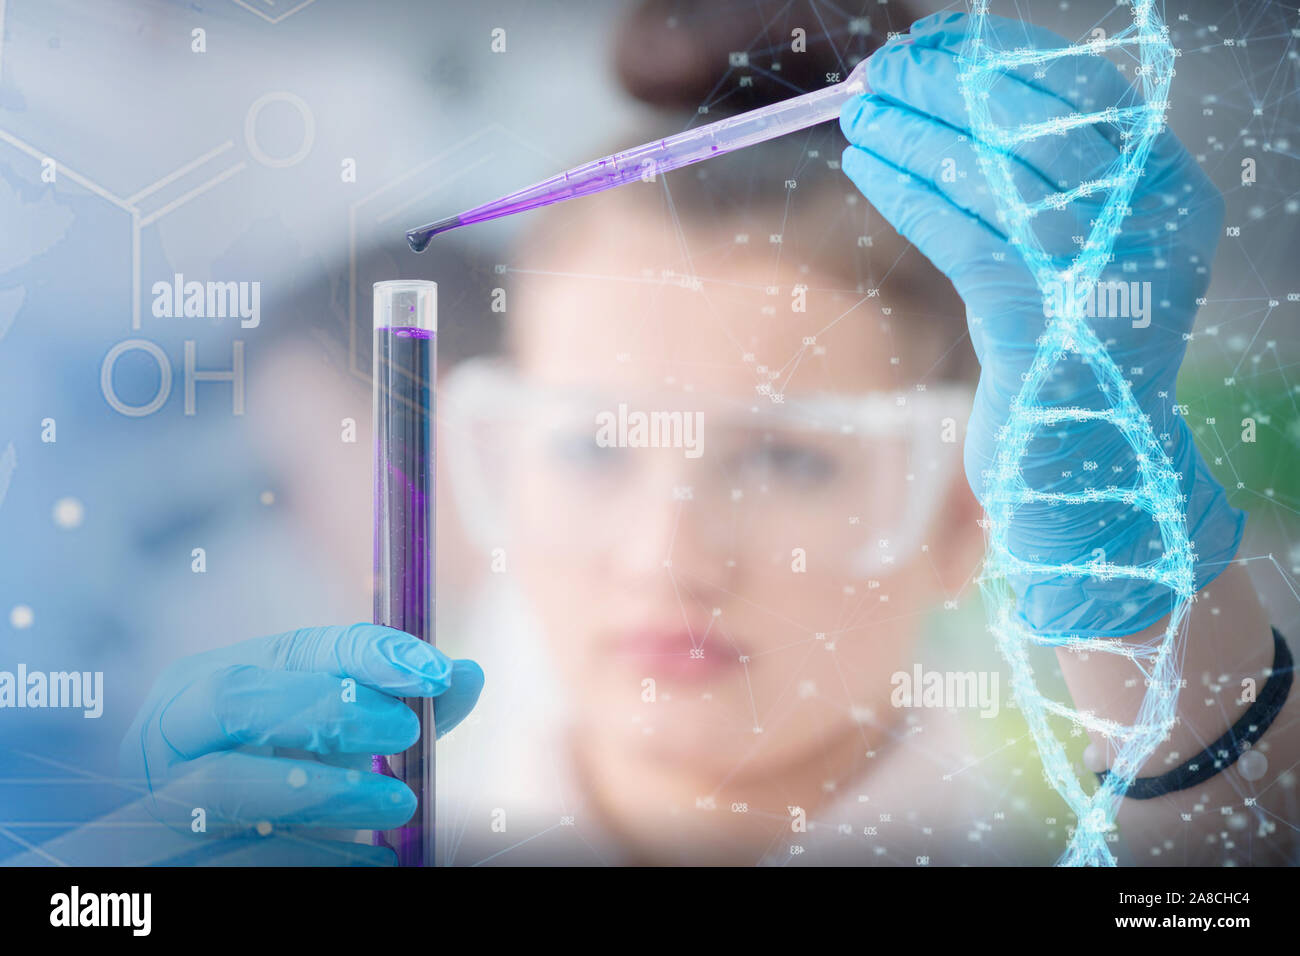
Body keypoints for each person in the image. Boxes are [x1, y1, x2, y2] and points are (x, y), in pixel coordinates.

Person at [18, 11, 1297, 867]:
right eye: (592, 446)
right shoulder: (346, 786)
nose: (665, 553)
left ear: (972, 505)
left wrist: (1157, 649)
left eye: (786, 455)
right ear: (495, 450)